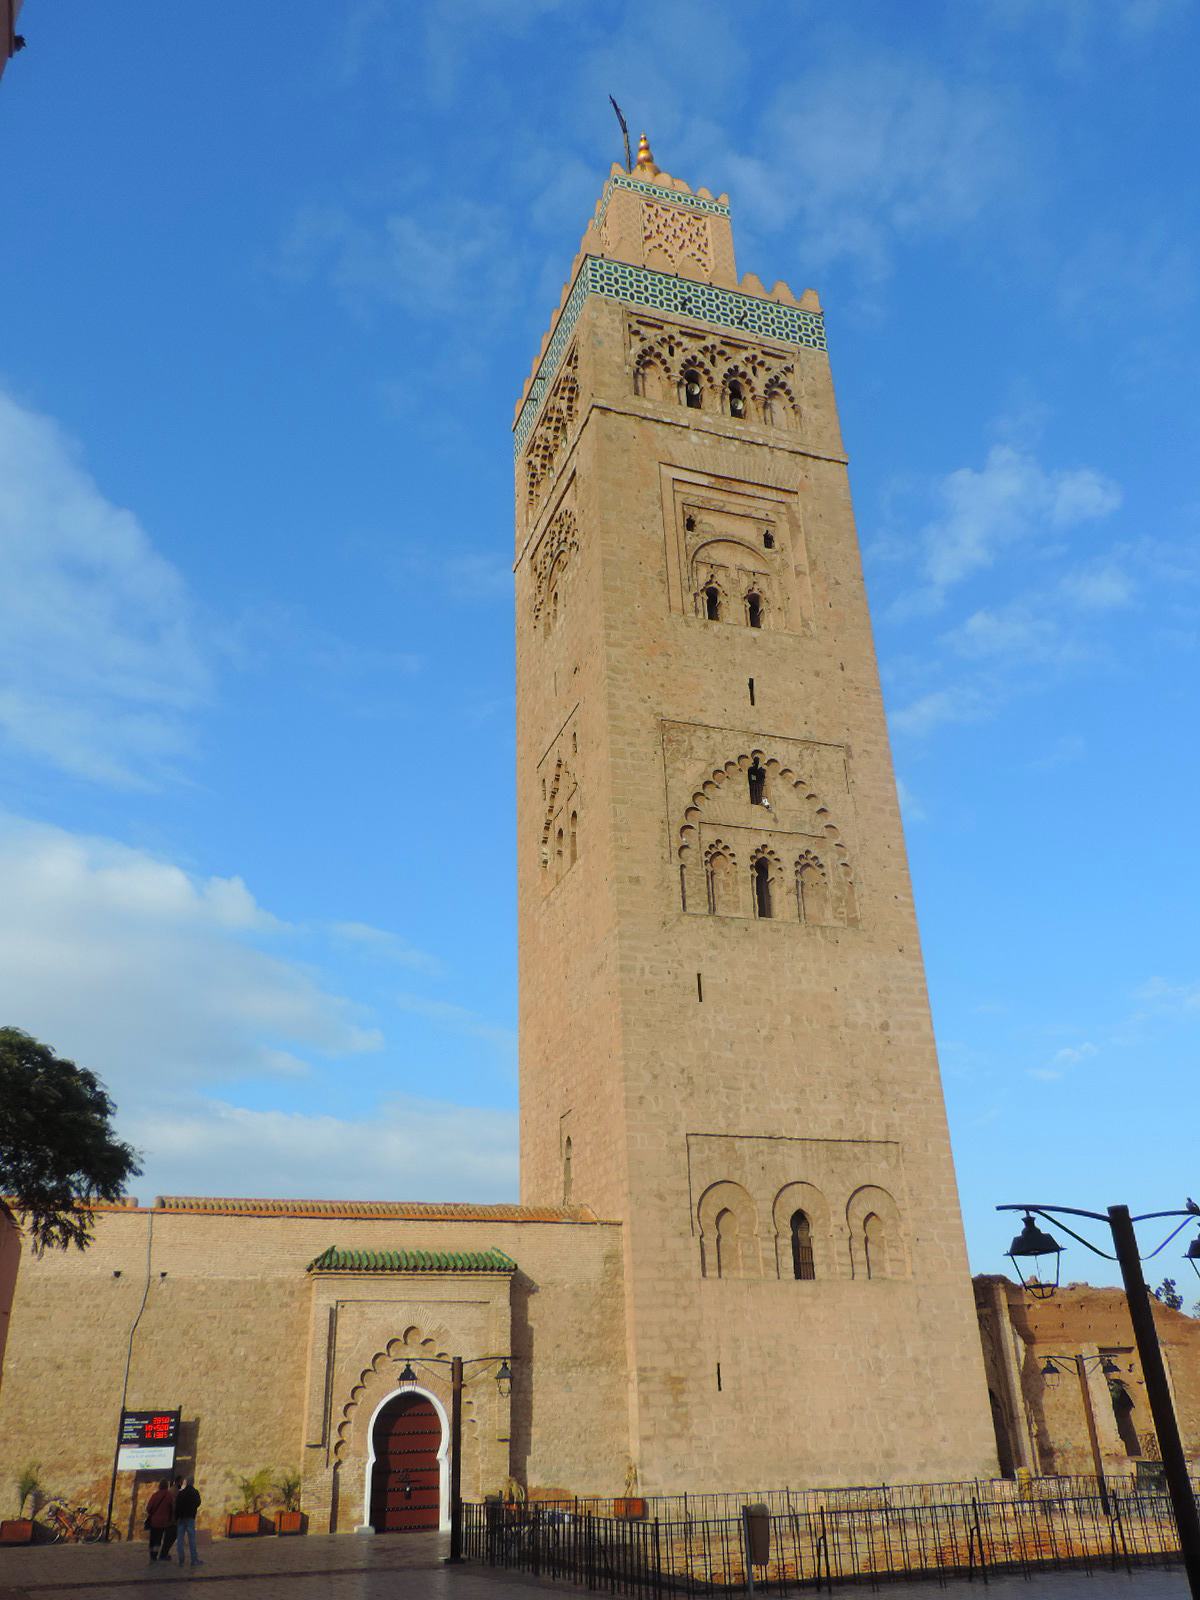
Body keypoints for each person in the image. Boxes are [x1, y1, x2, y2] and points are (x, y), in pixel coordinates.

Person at [174, 1478, 202, 1567]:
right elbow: (198, 1502)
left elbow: (177, 1506)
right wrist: (193, 1509)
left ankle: (181, 1560)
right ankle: (194, 1560)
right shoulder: (194, 1492)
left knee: (180, 1540)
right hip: (190, 1517)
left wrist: (176, 1517)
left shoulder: (180, 1493)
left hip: (181, 1518)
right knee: (192, 1539)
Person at [144, 1480, 174, 1561]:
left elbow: (148, 1508)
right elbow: (172, 1508)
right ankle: (156, 1554)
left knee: (153, 1539)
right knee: (158, 1539)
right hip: (164, 1522)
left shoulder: (155, 1495)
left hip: (154, 1521)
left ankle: (152, 1555)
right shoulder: (169, 1496)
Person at [159, 1476, 183, 1561]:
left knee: (170, 1536)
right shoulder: (174, 1491)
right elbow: (172, 1505)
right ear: (178, 1482)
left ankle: (164, 1553)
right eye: (181, 1482)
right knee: (171, 1536)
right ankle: (163, 1554)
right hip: (171, 1519)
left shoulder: (173, 1490)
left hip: (170, 1518)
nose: (182, 1483)